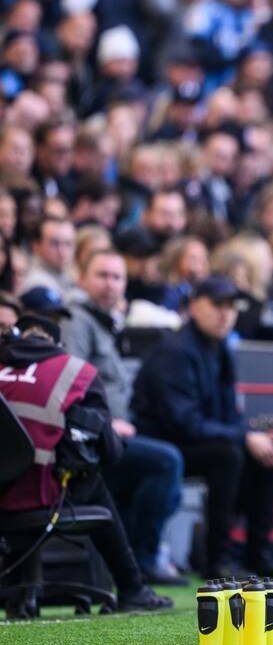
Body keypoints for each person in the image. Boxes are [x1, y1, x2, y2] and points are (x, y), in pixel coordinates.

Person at [0, 315, 172, 612]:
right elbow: (110, 450)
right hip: (41, 498)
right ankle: (132, 588)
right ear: (56, 343)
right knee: (93, 482)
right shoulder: (74, 371)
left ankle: (21, 590)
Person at [130, 276, 273, 578]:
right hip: (162, 443)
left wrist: (256, 437)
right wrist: (245, 437)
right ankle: (218, 560)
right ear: (194, 306)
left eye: (231, 306)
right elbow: (182, 423)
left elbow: (228, 414)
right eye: (217, 305)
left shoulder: (220, 349)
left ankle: (258, 555)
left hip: (198, 439)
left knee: (269, 455)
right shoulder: (175, 351)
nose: (225, 313)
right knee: (228, 455)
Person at [61, 249, 187, 585]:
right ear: (82, 278)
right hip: (92, 437)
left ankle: (128, 559)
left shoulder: (104, 323)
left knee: (170, 467)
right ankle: (139, 565)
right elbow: (69, 384)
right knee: (166, 462)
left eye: (117, 277)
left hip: (116, 432)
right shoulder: (76, 320)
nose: (109, 284)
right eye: (101, 275)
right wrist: (106, 423)